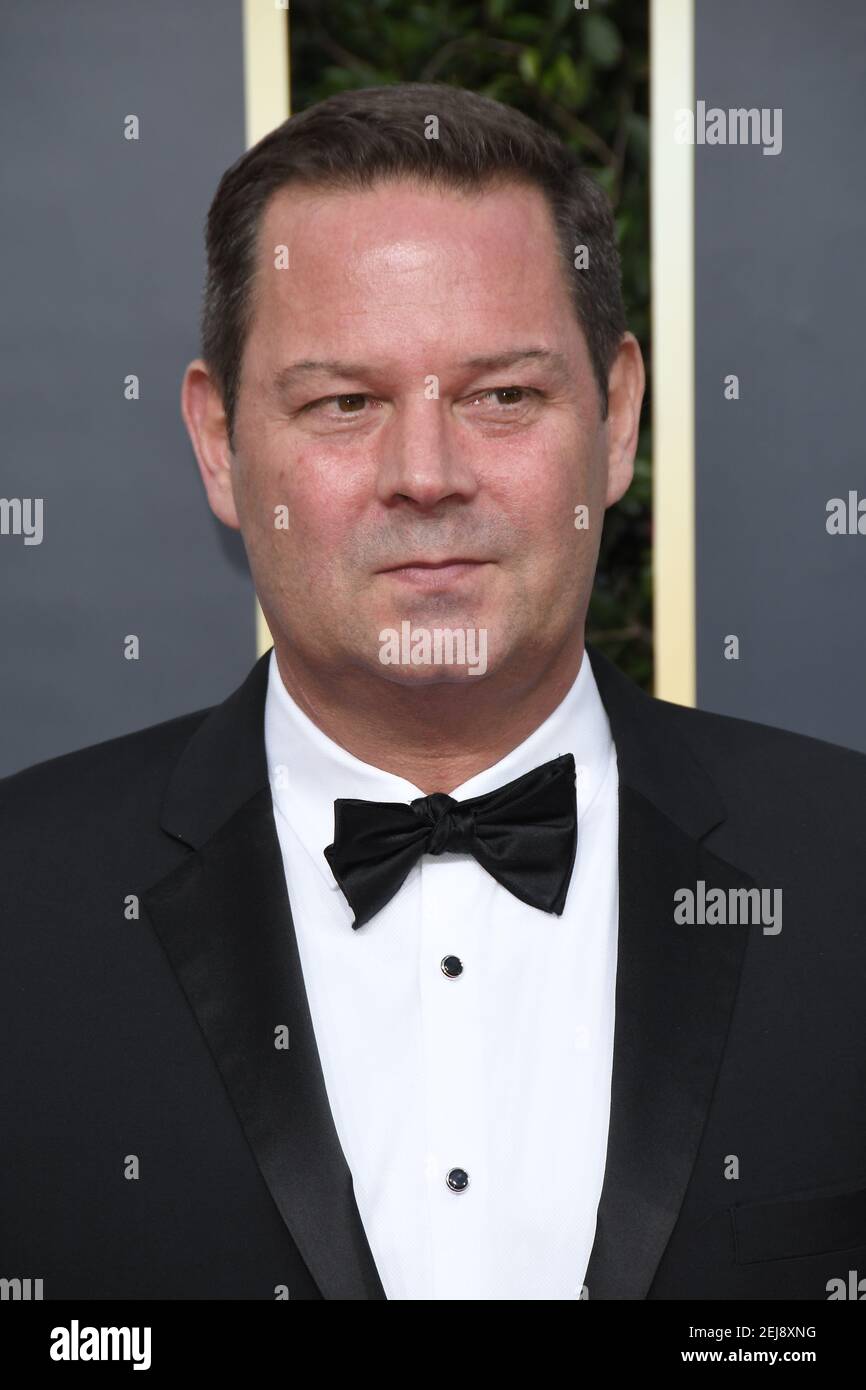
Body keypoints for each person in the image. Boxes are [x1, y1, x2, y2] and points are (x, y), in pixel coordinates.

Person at [2, 83, 864, 1302]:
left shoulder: (848, 873)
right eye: (343, 403)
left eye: (501, 395)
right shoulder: (21, 908)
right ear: (217, 443)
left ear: (614, 420)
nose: (426, 475)